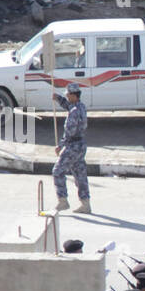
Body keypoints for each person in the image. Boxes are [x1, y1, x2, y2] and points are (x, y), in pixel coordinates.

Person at [51, 82, 90, 213]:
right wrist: (58, 99)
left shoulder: (73, 112)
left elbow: (69, 132)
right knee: (80, 175)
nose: (67, 97)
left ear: (73, 95)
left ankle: (63, 200)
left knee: (57, 171)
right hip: (81, 145)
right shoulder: (81, 106)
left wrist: (60, 146)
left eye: (68, 95)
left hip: (72, 146)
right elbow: (68, 105)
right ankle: (86, 204)